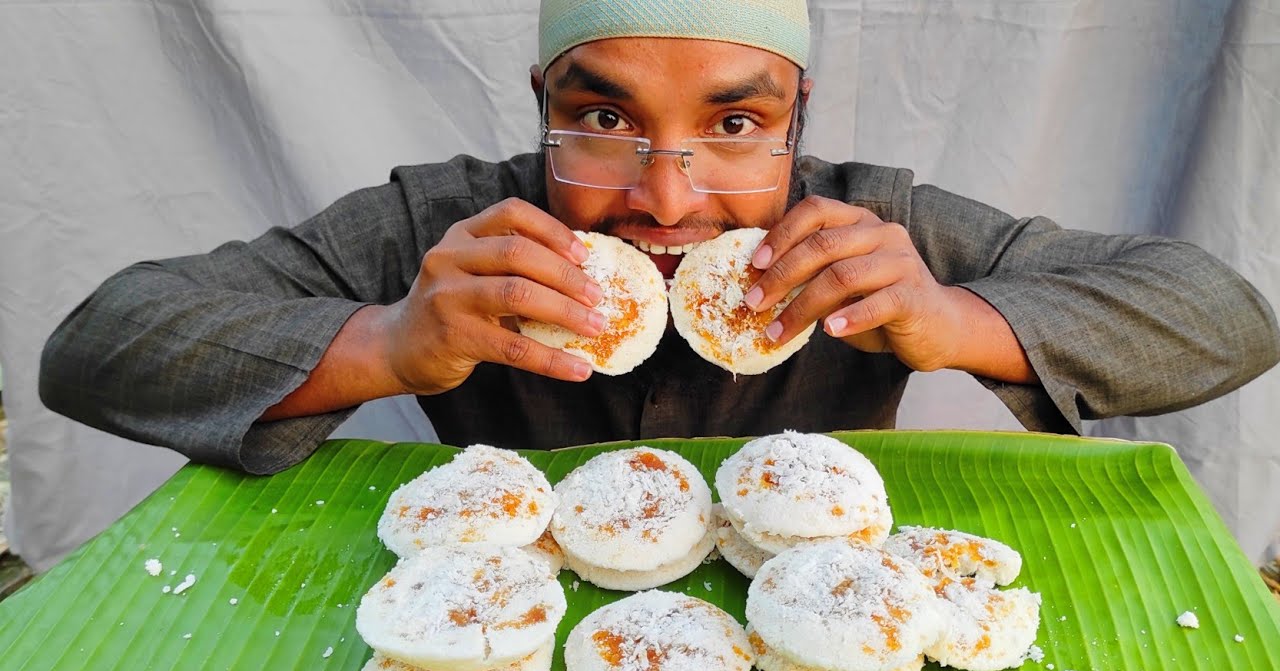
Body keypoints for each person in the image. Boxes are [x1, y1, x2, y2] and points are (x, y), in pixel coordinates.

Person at [38, 0, 1280, 475]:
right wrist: (390, 340)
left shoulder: (870, 223)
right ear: (539, 110)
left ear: (799, 123)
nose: (668, 200)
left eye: (734, 123)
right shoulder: (448, 223)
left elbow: (1220, 313)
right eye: (603, 119)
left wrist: (957, 320)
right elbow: (101, 343)